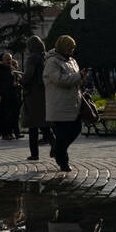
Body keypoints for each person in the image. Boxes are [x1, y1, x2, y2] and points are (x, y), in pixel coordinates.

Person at [43, 35, 85, 172]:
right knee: (62, 134)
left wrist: (82, 77)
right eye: (69, 48)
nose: (71, 51)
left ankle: (57, 149)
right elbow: (59, 80)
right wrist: (78, 76)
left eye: (73, 48)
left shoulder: (72, 61)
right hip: (59, 104)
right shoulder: (52, 62)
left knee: (76, 128)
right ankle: (63, 162)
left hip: (73, 103)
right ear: (62, 47)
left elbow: (74, 80)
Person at [20, 36, 55, 162]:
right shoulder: (45, 56)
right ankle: (54, 146)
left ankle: (35, 154)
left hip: (33, 94)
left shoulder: (32, 58)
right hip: (44, 93)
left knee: (33, 125)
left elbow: (29, 74)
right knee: (43, 124)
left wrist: (21, 80)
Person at [0, 53, 20, 140]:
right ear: (2, 60)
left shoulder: (11, 68)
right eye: (7, 59)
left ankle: (10, 132)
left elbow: (16, 79)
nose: (9, 61)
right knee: (4, 115)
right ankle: (4, 133)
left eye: (10, 59)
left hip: (12, 95)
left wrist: (16, 83)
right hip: (3, 96)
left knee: (12, 115)